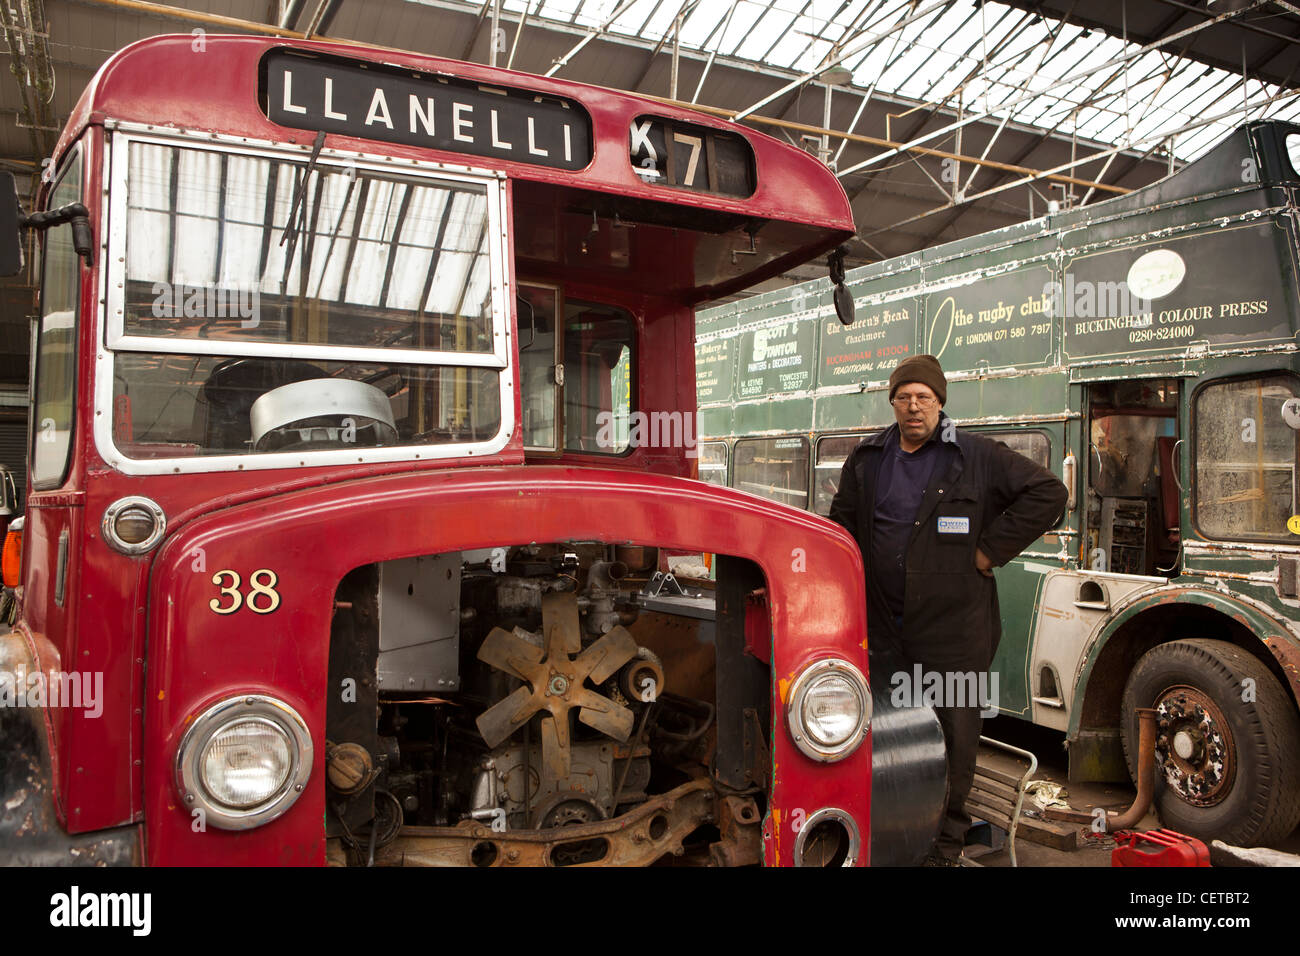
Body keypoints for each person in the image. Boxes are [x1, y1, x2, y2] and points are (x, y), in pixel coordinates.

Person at [829, 354, 1067, 866]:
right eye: (904, 397)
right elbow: (842, 526)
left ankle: (943, 846)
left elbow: (1049, 493)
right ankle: (888, 832)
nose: (914, 407)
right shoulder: (868, 458)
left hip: (954, 633)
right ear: (891, 401)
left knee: (954, 739)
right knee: (886, 732)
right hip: (882, 627)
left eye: (924, 398)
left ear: (940, 403)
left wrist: (990, 550)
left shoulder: (977, 456)